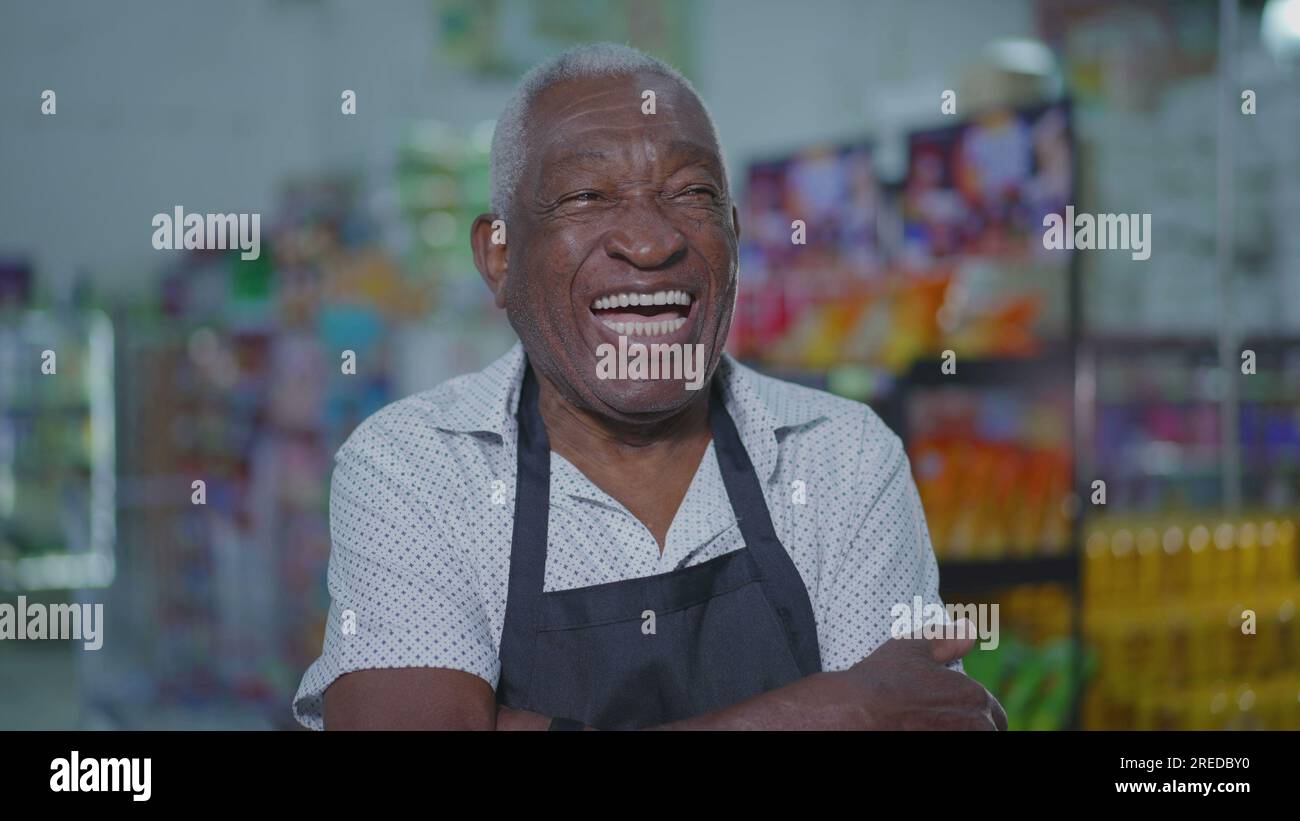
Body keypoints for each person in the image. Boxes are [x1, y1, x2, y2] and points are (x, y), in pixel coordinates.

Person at [293, 42, 1006, 731]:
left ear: (731, 235)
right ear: (498, 255)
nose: (649, 241)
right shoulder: (417, 466)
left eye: (691, 192)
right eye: (585, 195)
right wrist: (829, 710)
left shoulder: (841, 458)